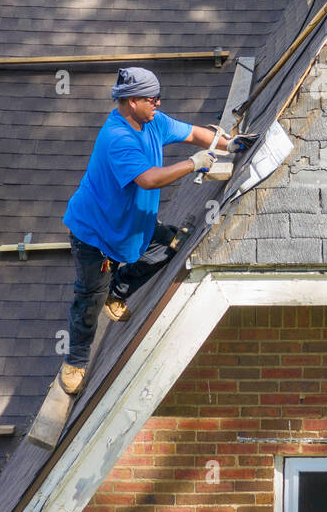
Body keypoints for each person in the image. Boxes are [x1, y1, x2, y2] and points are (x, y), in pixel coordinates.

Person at [58, 67, 257, 394]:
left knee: (170, 246)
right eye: (152, 99)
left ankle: (118, 291)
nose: (158, 103)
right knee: (89, 298)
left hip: (134, 223)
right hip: (96, 235)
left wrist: (227, 144)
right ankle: (75, 360)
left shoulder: (153, 121)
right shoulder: (118, 138)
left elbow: (194, 134)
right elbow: (148, 179)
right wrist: (194, 164)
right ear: (132, 101)